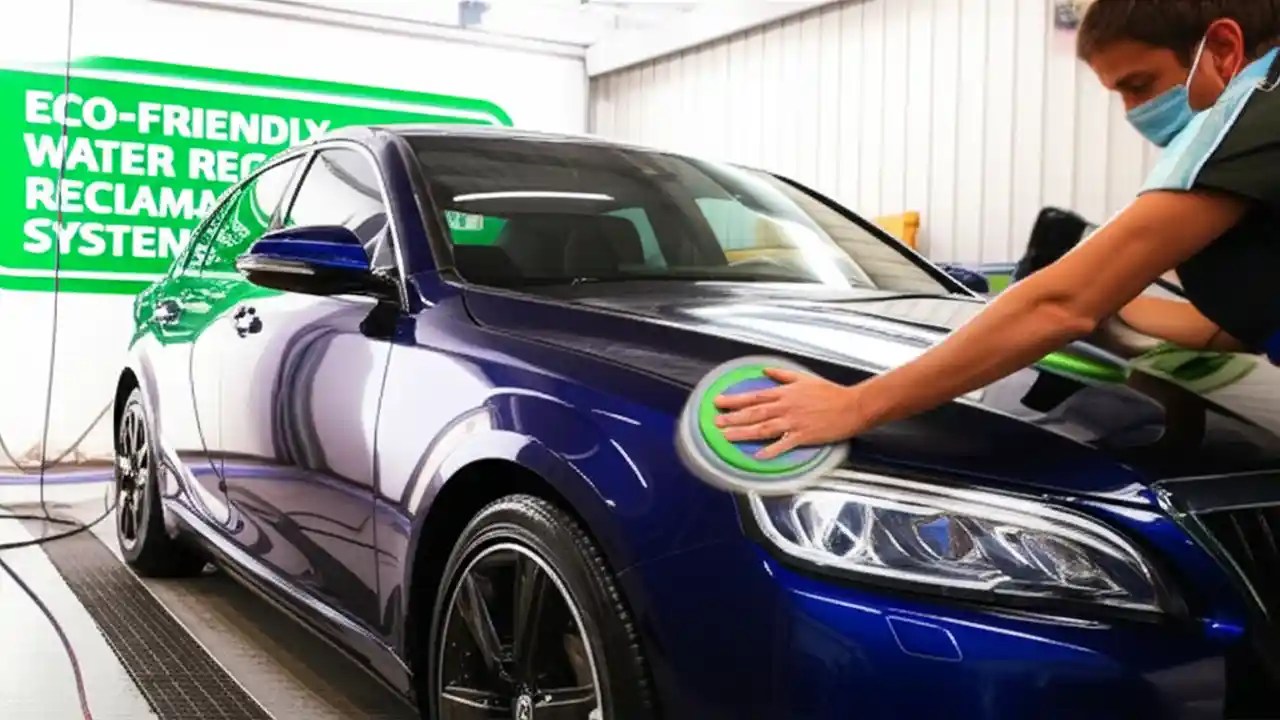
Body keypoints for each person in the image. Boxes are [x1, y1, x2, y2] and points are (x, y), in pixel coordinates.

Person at [714, 0, 1280, 460]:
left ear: (1225, 49)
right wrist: (1116, 310)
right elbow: (1239, 324)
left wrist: (855, 406)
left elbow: (1056, 306)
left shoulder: (1257, 110)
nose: (1134, 110)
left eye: (1139, 84)